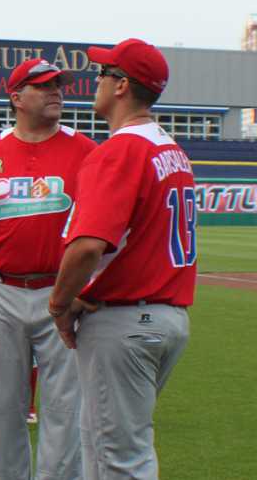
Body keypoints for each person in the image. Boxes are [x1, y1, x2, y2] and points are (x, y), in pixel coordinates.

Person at [0, 58, 97, 480]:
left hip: (62, 293)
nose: (55, 91)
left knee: (65, 408)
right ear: (16, 98)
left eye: (58, 84)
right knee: (1, 406)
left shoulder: (85, 150)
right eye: (43, 85)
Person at [49, 39, 196, 480]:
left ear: (121, 86)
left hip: (126, 322)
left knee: (119, 460)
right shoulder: (170, 149)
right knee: (104, 449)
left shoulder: (120, 150)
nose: (96, 81)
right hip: (163, 316)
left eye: (103, 73)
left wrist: (59, 305)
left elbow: (87, 245)